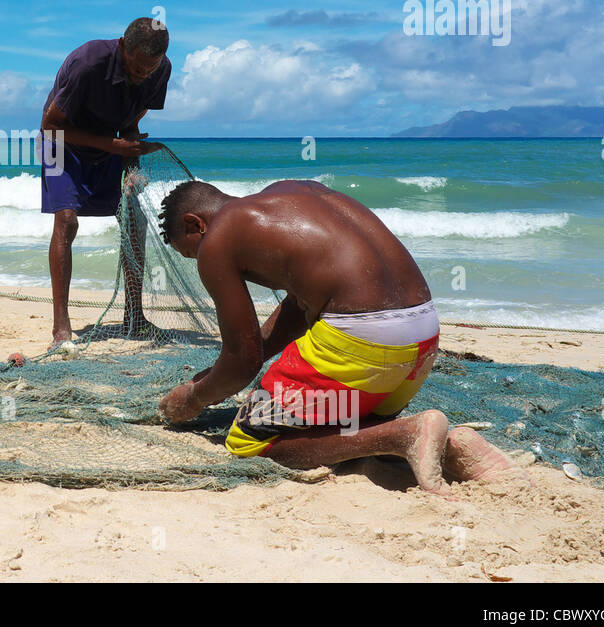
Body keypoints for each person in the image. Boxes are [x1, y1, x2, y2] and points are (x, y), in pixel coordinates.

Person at [155, 179, 515, 495]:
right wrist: (252, 354)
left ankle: (402, 434)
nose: (198, 258)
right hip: (421, 341)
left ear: (195, 224)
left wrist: (194, 397)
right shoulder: (295, 192)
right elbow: (300, 305)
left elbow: (242, 362)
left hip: (363, 345)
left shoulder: (218, 239)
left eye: (191, 251)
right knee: (334, 423)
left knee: (249, 439)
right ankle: (449, 444)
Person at [41, 17, 171, 347]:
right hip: (59, 142)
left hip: (109, 142)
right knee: (66, 221)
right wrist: (114, 146)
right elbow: (50, 126)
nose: (143, 74)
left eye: (150, 69)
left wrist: (131, 154)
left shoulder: (161, 69)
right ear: (123, 46)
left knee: (133, 219)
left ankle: (135, 315)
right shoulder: (88, 62)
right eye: (137, 67)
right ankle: (61, 326)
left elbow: (133, 117)